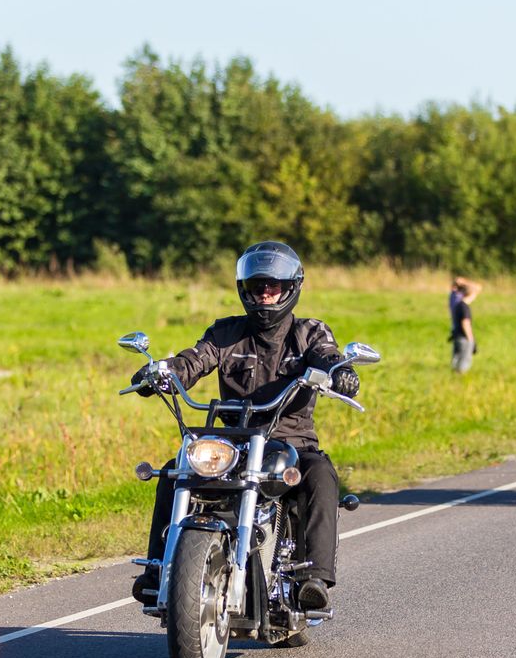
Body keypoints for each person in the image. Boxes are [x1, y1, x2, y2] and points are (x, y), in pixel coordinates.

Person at [130, 241, 359, 612]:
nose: (265, 294)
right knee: (175, 471)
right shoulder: (225, 334)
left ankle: (313, 577)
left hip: (291, 440)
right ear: (244, 290)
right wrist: (162, 373)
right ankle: (158, 569)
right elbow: (193, 360)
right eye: (257, 287)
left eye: (273, 286)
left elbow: (329, 358)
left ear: (291, 287)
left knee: (321, 474)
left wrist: (340, 372)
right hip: (232, 442)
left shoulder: (310, 333)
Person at [449, 277, 480, 373]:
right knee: (463, 361)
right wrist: (471, 339)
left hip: (456, 333)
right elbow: (465, 323)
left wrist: (463, 283)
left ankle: (453, 377)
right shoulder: (463, 306)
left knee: (456, 360)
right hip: (463, 336)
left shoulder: (456, 301)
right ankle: (458, 379)